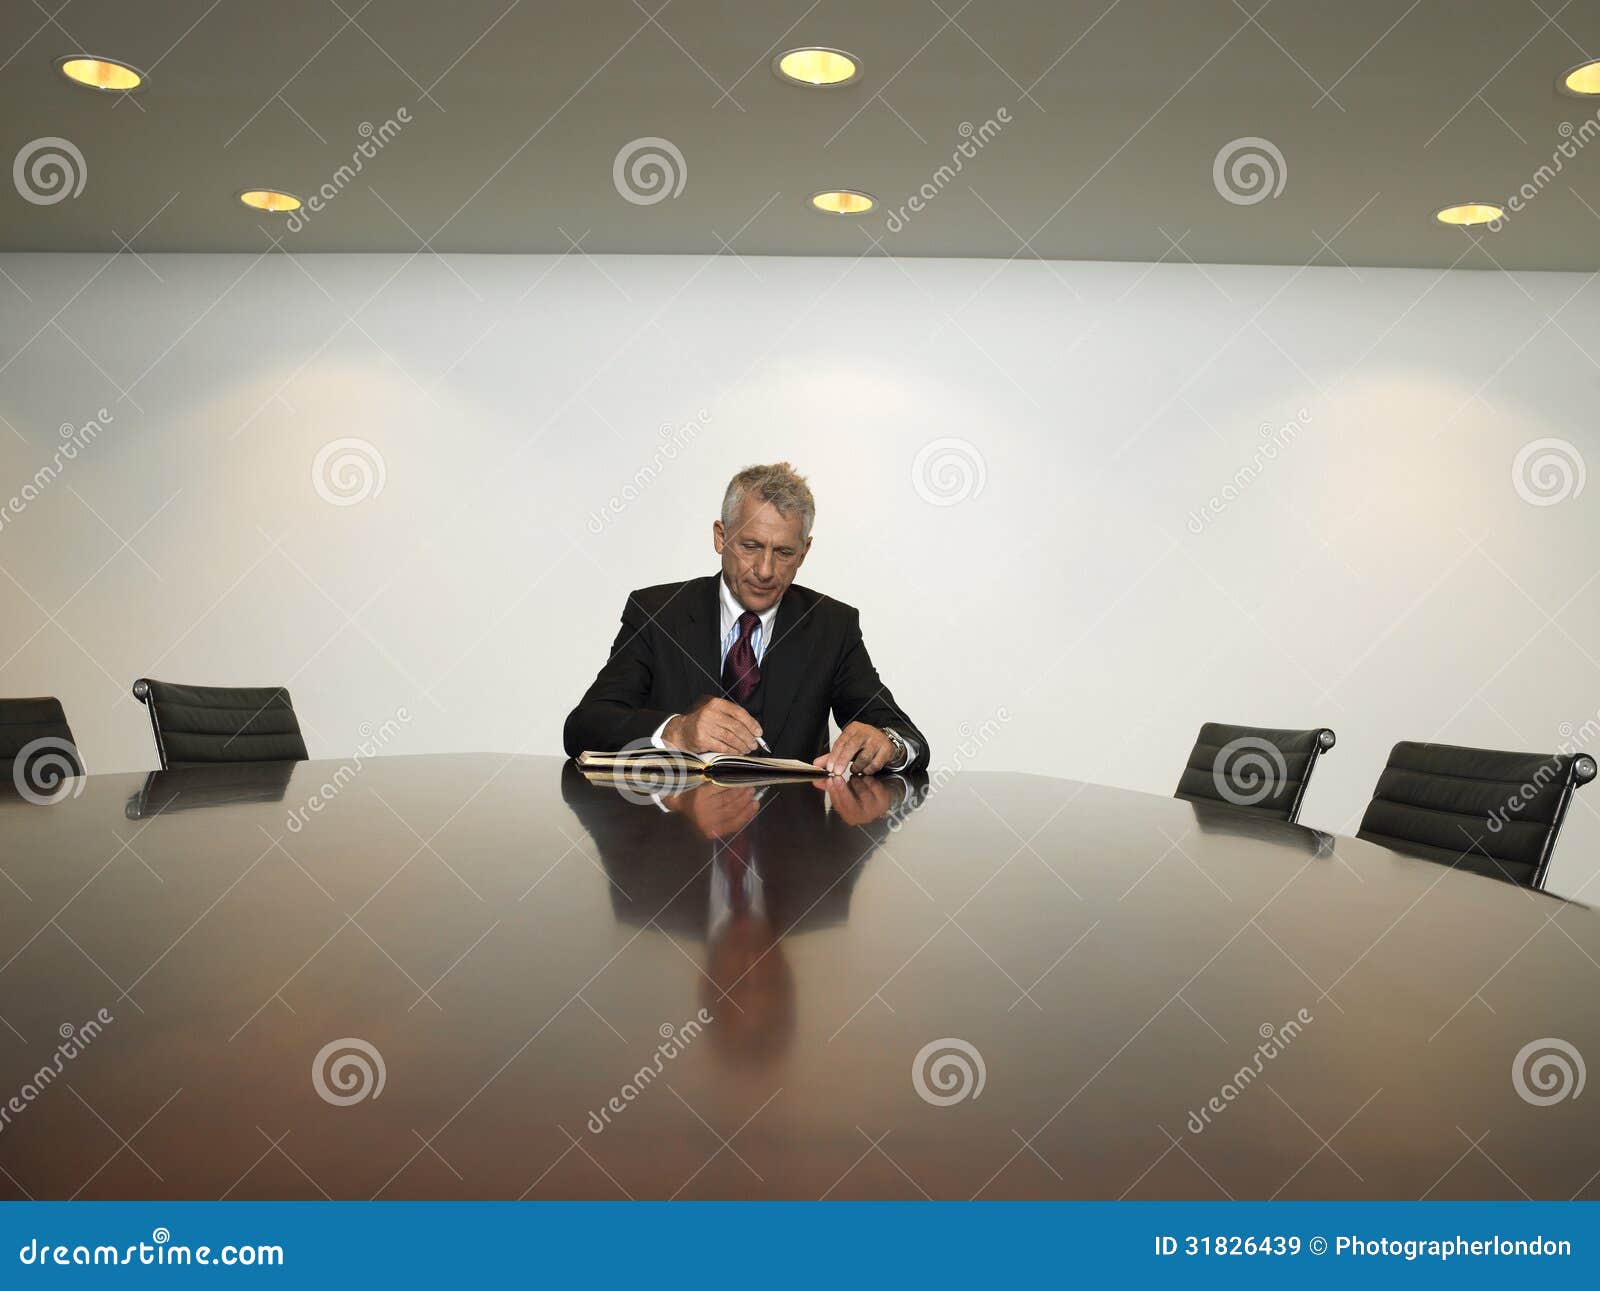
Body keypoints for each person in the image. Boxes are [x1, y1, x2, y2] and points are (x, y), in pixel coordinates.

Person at [563, 462, 929, 776]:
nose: (765, 570)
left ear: (805, 551)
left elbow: (908, 738)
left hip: (791, 847)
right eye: (750, 546)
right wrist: (676, 731)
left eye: (784, 552)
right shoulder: (656, 612)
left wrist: (888, 745)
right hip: (671, 843)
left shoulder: (833, 625)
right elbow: (585, 726)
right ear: (721, 537)